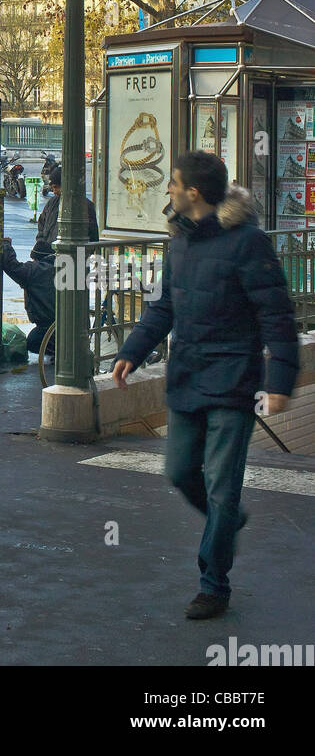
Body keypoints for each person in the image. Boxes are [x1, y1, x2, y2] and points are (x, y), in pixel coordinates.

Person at [113, 151, 299, 620]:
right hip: (188, 375)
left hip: (234, 382)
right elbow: (162, 307)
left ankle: (213, 583)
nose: (169, 189)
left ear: (193, 191)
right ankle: (229, 523)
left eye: (173, 183)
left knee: (221, 485)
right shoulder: (180, 240)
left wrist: (279, 380)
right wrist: (132, 352)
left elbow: (277, 317)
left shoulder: (248, 243)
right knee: (179, 472)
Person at [1, 238, 56, 356]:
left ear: (36, 258)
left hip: (48, 326)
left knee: (32, 342)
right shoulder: (62, 268)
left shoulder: (34, 271)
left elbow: (11, 266)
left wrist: (6, 245)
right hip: (66, 324)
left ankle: (58, 351)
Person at [37, 164, 99, 245]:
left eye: (56, 187)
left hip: (74, 254)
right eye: (52, 188)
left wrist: (82, 256)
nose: (54, 191)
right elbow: (42, 224)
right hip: (50, 251)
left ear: (65, 185)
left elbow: (92, 236)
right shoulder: (52, 202)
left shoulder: (86, 205)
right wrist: (41, 244)